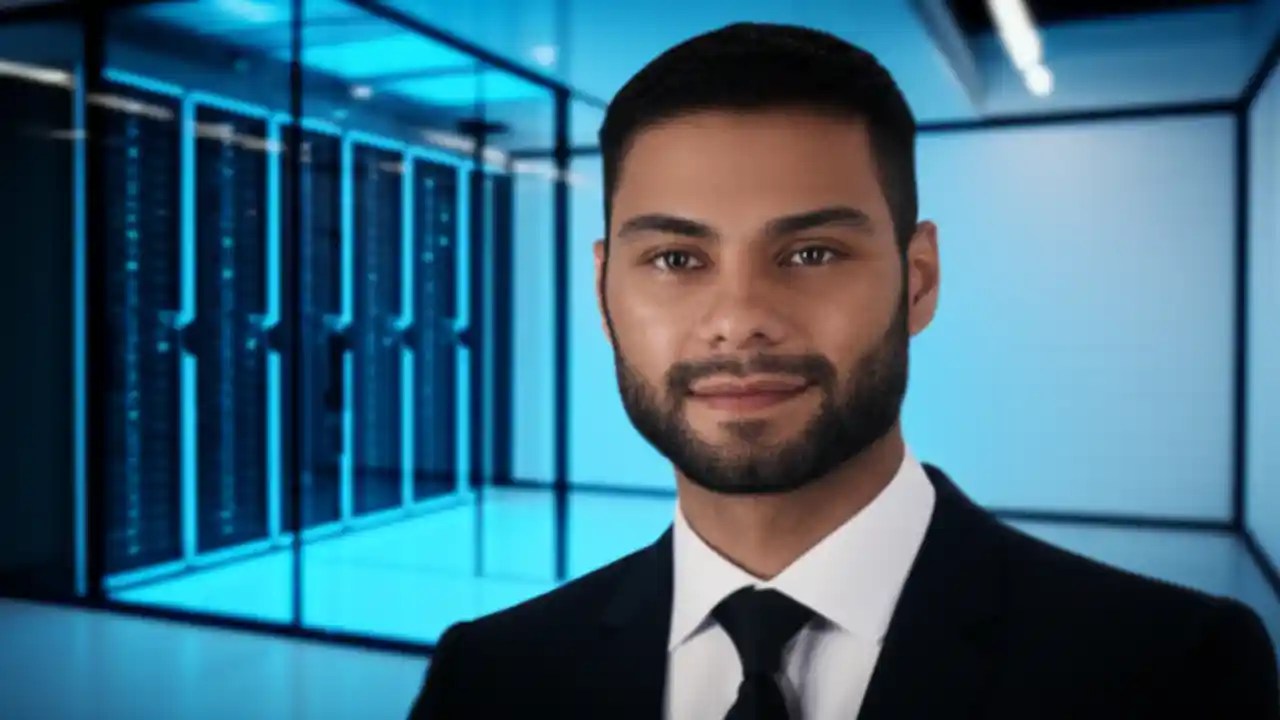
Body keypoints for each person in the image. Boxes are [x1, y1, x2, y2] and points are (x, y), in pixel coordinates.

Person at [408, 21, 1279, 720]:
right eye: (676, 259)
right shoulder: (488, 678)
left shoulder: (1173, 672)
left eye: (812, 251)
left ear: (919, 281)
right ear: (604, 293)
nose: (740, 317)